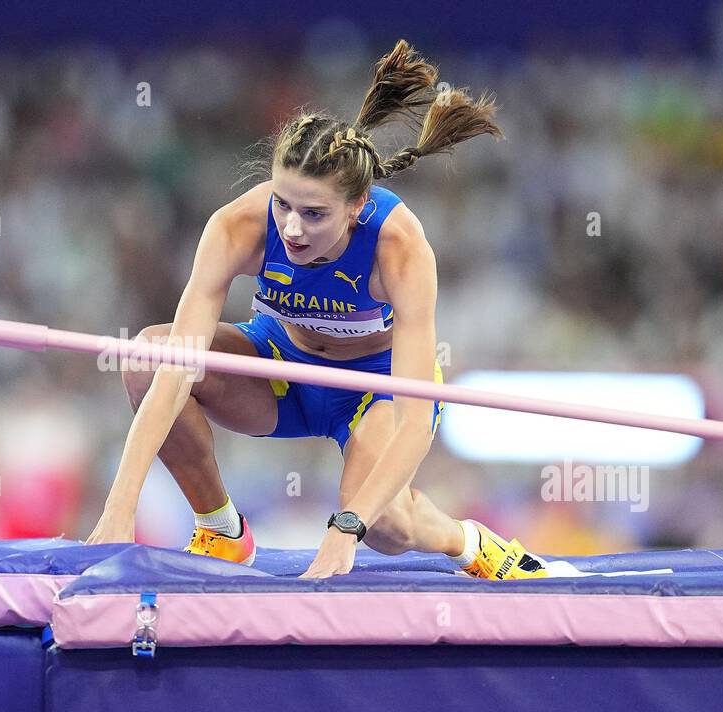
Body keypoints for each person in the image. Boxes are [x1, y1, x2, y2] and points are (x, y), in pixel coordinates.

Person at [85, 40, 549, 580]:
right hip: (281, 371)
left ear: (356, 208)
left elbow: (417, 418)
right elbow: (178, 368)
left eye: (314, 213)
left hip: (373, 389)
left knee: (387, 525)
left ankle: (465, 540)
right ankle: (221, 529)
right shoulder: (237, 226)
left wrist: (346, 525)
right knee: (147, 356)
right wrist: (120, 508)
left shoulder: (399, 247)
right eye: (282, 204)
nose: (291, 228)